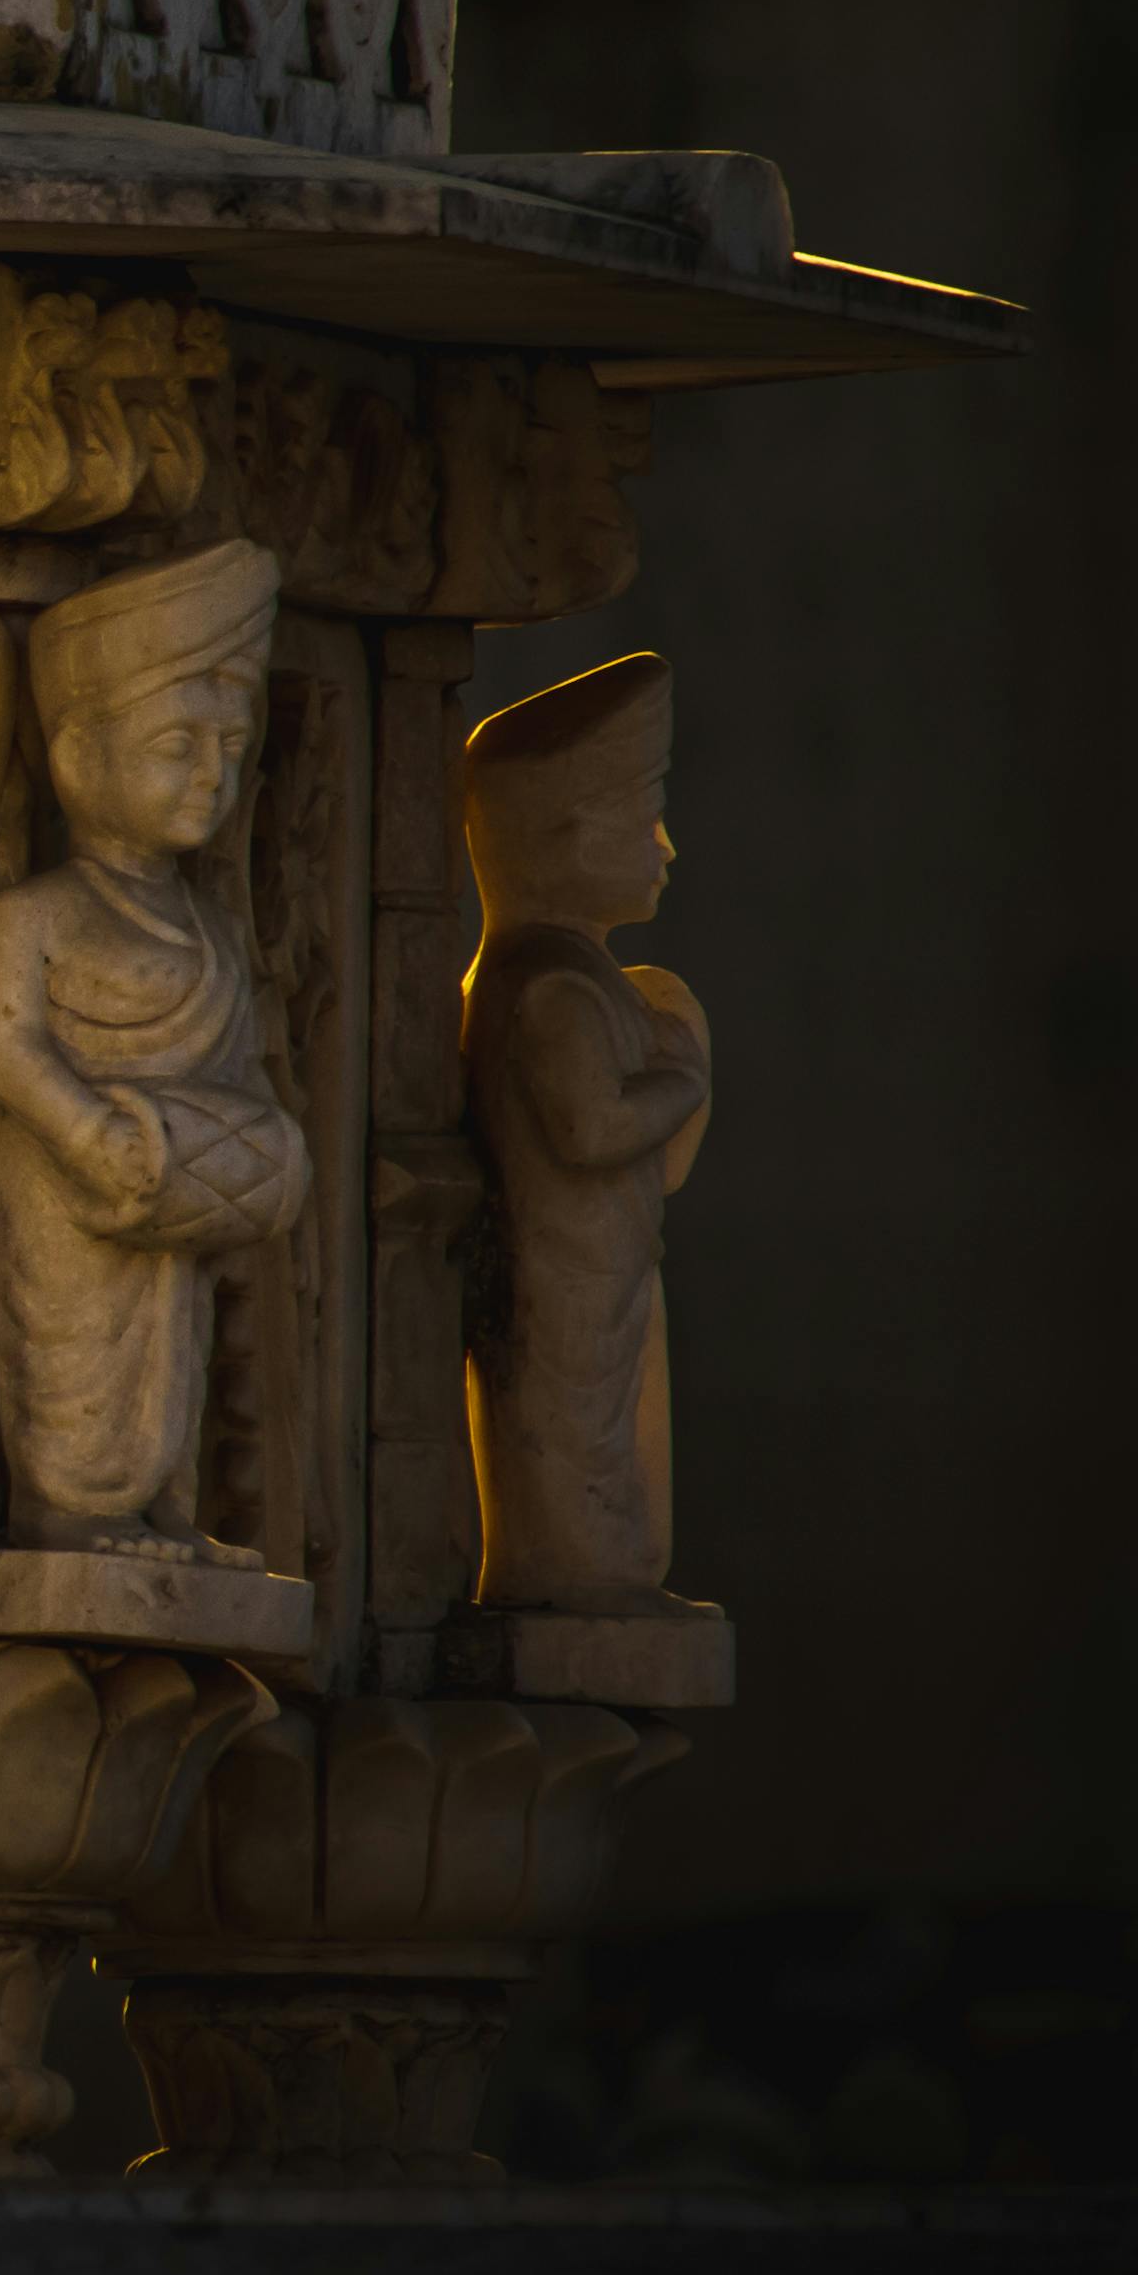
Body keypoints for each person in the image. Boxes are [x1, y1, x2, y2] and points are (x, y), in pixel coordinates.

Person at [0, 536, 309, 1556]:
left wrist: (240, 1146)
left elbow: (236, 1062)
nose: (210, 776)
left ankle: (158, 1509)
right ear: (76, 760)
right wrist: (78, 1130)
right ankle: (71, 1510)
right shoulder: (37, 916)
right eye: (175, 749)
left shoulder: (209, 930)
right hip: (71, 1191)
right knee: (73, 1358)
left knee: (173, 1349)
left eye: (228, 750)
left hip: (168, 1191)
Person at [460, 653, 708, 1612]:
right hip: (556, 1276)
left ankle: (605, 1572)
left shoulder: (576, 975)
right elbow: (593, 1125)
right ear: (561, 839)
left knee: (605, 1432)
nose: (665, 847)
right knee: (566, 1435)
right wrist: (677, 1079)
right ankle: (566, 1575)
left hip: (603, 1268)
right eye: (642, 819)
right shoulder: (545, 987)